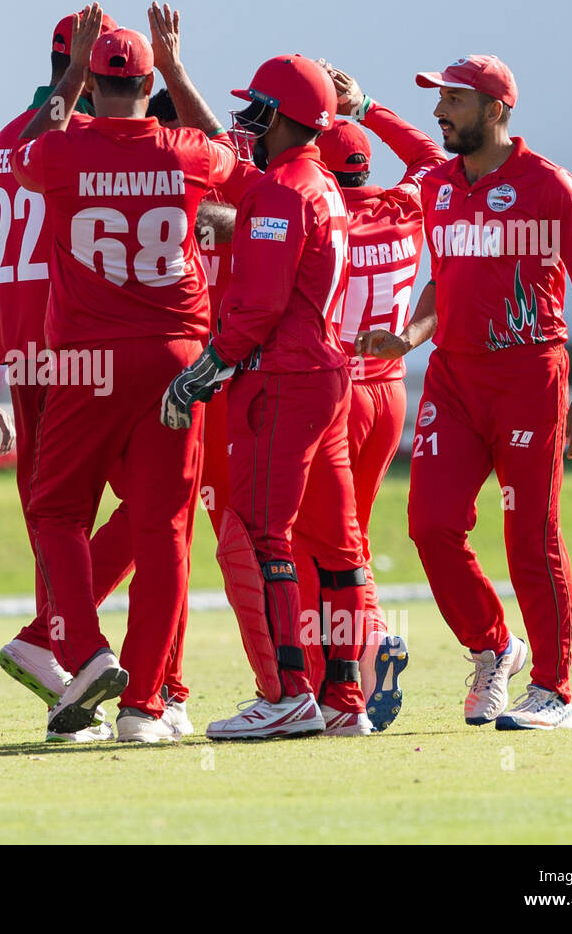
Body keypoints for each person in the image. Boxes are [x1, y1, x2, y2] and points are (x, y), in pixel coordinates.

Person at [359, 55, 572, 730]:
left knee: (530, 536)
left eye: (456, 101)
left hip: (531, 377)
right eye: (439, 100)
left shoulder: (548, 184)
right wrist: (405, 338)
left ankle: (554, 693)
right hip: (453, 375)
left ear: (496, 109)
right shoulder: (440, 186)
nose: (441, 111)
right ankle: (495, 646)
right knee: (430, 524)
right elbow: (445, 284)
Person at [13, 3, 238, 743]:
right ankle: (146, 706)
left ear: (96, 82)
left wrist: (72, 70)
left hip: (90, 356)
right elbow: (232, 154)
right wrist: (179, 68)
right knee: (163, 529)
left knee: (54, 510)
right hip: (176, 351)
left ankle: (83, 650)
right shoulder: (183, 151)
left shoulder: (63, 151)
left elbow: (36, 141)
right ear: (150, 82)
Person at [0, 11, 178, 742]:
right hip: (81, 342)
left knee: (59, 519)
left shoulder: (10, 139)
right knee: (147, 513)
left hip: (25, 341)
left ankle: (58, 656)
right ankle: (120, 675)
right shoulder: (84, 143)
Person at [163, 54, 373, 738]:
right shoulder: (315, 182)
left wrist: (205, 369)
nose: (247, 118)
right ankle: (343, 695)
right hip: (327, 372)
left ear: (283, 116)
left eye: (257, 106)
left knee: (265, 533)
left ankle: (289, 692)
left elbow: (259, 306)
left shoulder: (284, 191)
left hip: (284, 375)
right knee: (336, 543)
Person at [286, 65, 445, 731]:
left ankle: (345, 665)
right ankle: (369, 639)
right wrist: (370, 104)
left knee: (315, 543)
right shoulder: (407, 203)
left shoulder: (318, 211)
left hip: (336, 394)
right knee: (349, 537)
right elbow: (430, 158)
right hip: (390, 394)